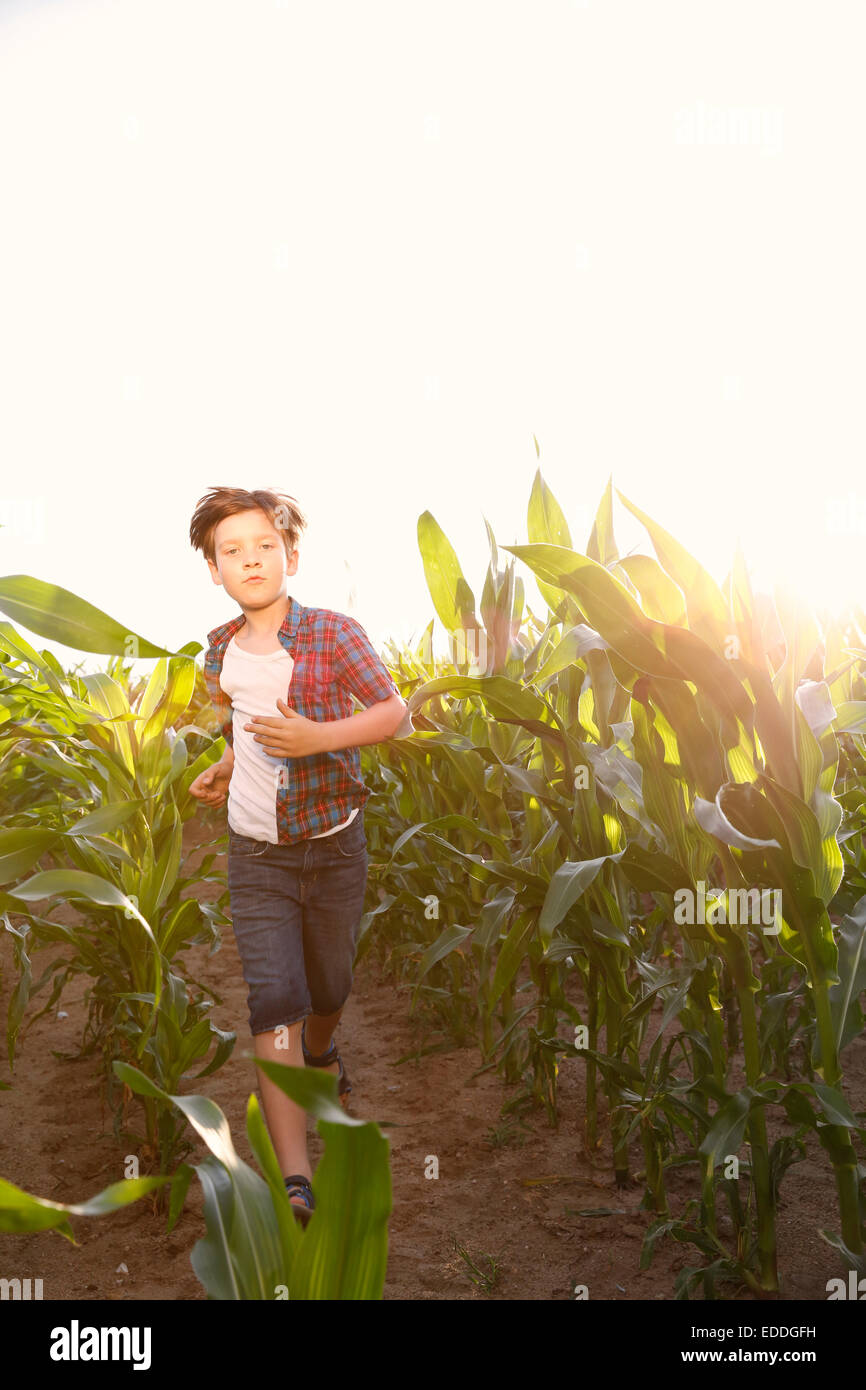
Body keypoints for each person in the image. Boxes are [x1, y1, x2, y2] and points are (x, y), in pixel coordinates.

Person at [187, 486, 412, 1223]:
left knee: (330, 986)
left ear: (289, 555)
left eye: (263, 546)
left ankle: (324, 1047)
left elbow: (393, 714)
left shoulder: (334, 634)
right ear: (214, 568)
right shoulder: (217, 649)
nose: (249, 559)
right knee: (274, 1002)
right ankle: (296, 1175)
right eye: (232, 551)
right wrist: (225, 766)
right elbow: (240, 728)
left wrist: (318, 737)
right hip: (257, 857)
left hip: (334, 845)